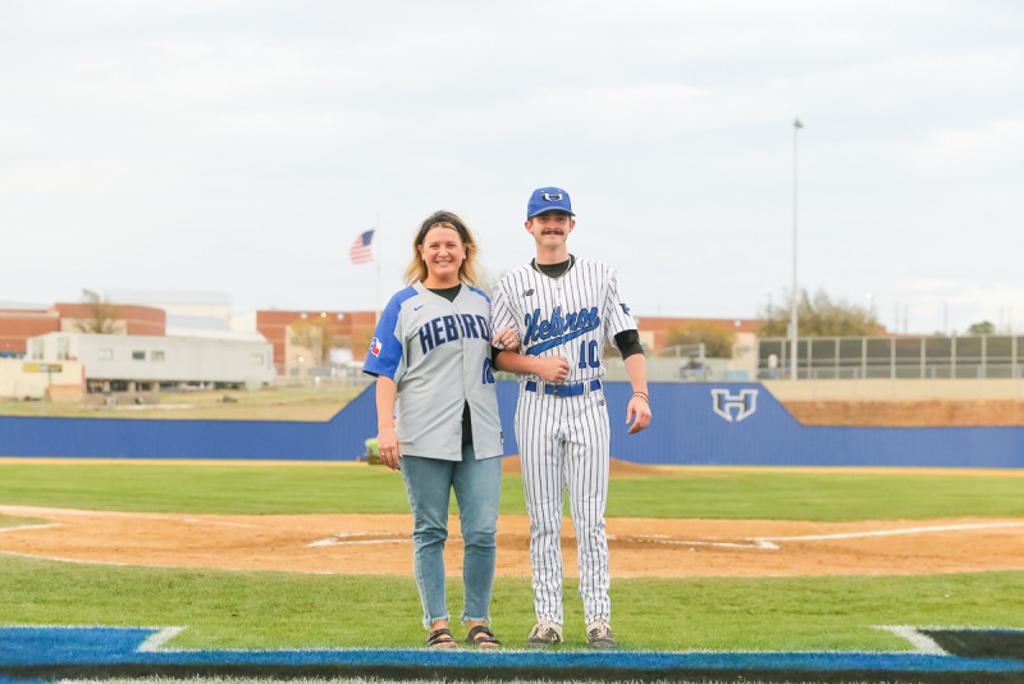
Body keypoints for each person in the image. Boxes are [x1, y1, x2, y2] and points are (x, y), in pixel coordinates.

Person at [491, 187, 652, 649]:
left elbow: (628, 340)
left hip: (589, 401)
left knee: (589, 520)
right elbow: (498, 358)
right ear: (529, 227)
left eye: (560, 216)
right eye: (543, 217)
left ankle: (599, 620)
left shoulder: (600, 275)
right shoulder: (511, 283)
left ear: (572, 225)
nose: (552, 224)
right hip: (537, 403)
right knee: (542, 520)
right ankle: (548, 621)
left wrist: (640, 393)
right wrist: (531, 361)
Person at [363, 210, 519, 649]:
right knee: (430, 531)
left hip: (481, 435)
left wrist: (512, 341)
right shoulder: (403, 303)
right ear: (421, 252)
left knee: (483, 532)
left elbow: (504, 354)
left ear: (465, 251)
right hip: (424, 434)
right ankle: (437, 623)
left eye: (451, 244)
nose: (443, 251)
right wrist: (385, 429)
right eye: (434, 245)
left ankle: (478, 620)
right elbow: (385, 372)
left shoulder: (484, 302)